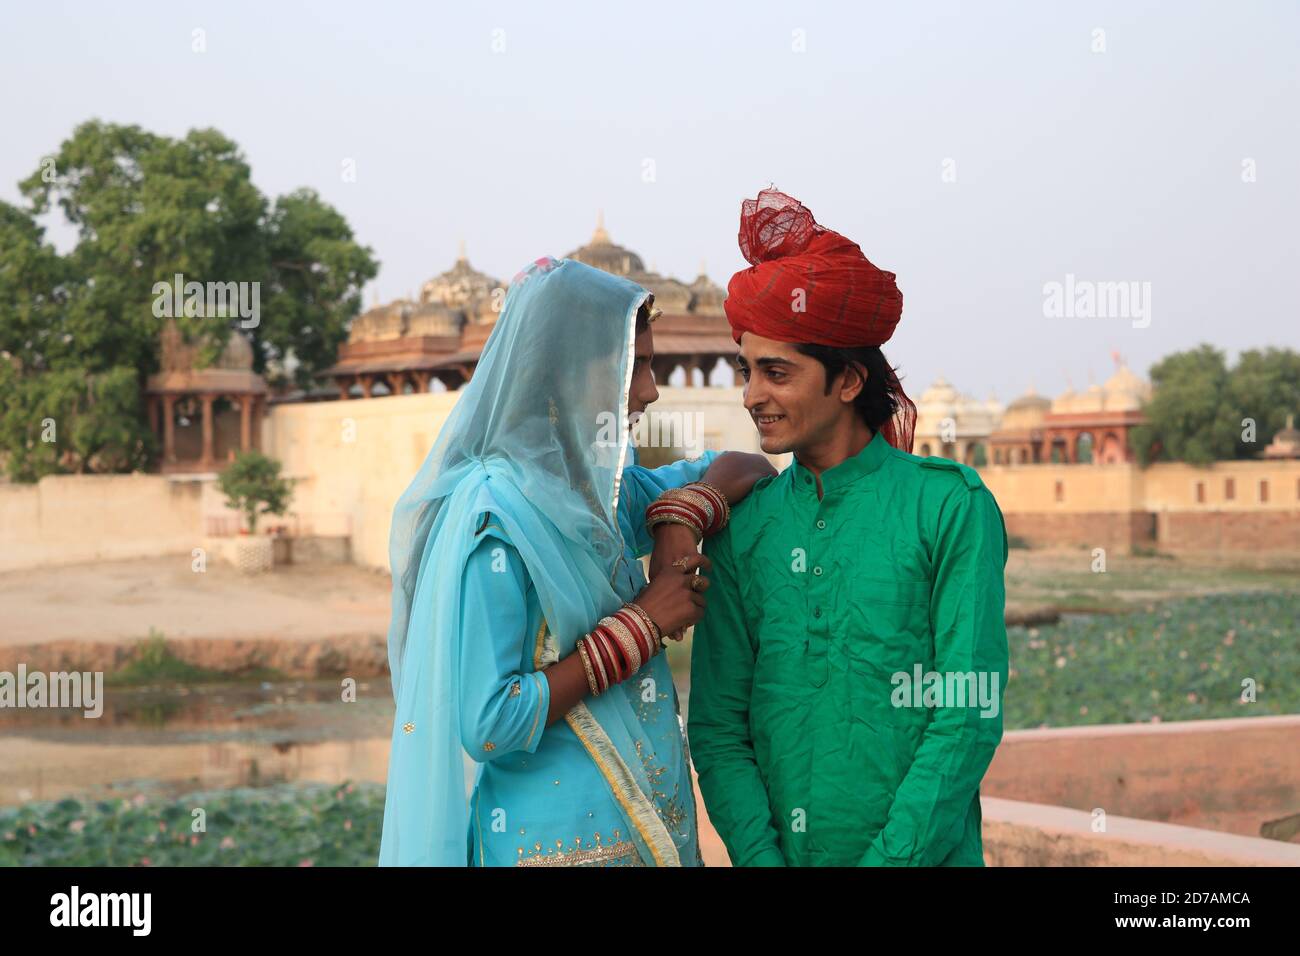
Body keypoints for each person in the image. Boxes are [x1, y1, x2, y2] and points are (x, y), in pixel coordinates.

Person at [379, 254, 773, 866]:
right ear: (565, 374)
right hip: (550, 847)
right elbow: (488, 724)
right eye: (632, 367)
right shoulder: (497, 519)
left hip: (646, 832)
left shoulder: (602, 493)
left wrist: (683, 513)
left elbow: (746, 467)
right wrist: (641, 627)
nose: (651, 390)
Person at [688, 189, 1010, 866]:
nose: (751, 394)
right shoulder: (746, 529)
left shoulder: (948, 508)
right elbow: (718, 728)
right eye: (748, 371)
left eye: (777, 372)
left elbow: (965, 713)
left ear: (847, 380)